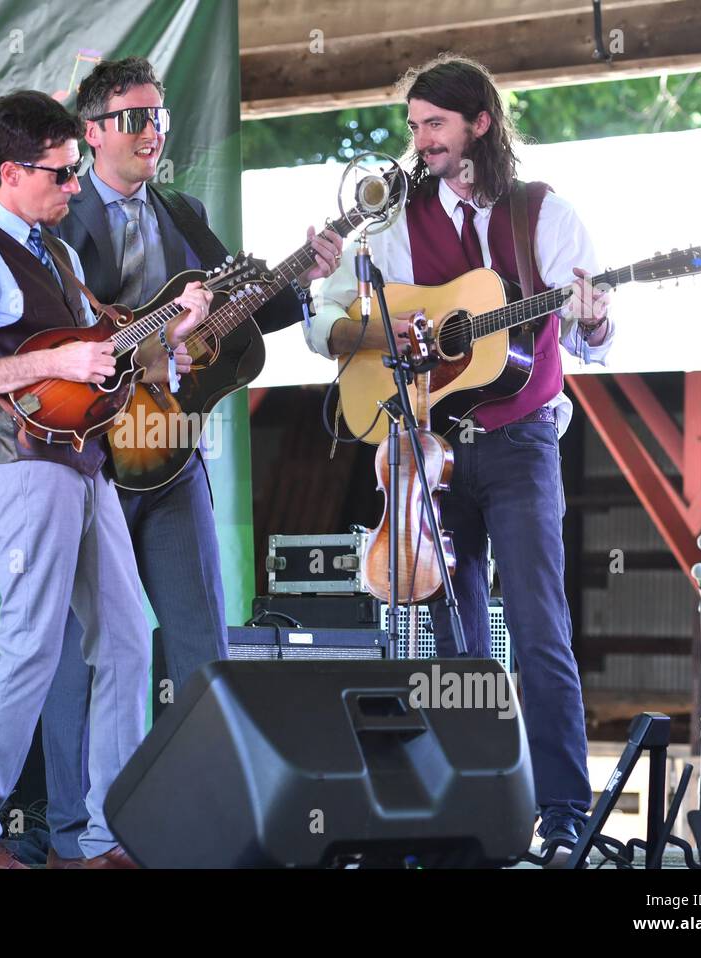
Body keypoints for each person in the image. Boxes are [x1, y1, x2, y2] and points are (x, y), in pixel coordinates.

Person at [41, 56, 344, 866]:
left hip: (173, 455)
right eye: (136, 117)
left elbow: (240, 313)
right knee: (80, 651)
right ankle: (76, 835)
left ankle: (201, 823)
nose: (154, 132)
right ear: (93, 131)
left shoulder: (183, 208)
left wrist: (302, 277)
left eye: (160, 116)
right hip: (87, 460)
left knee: (201, 640)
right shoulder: (54, 221)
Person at [307, 54, 614, 853]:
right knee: (456, 639)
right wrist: (384, 331)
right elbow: (333, 319)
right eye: (413, 127)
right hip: (430, 441)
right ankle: (475, 808)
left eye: (434, 123)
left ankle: (562, 812)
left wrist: (598, 317)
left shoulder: (542, 213)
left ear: (480, 122)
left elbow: (589, 339)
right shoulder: (395, 223)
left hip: (520, 441)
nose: (420, 140)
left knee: (540, 629)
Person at [0, 90, 211, 869]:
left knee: (124, 639)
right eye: (61, 174)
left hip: (85, 464)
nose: (76, 187)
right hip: (24, 468)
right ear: (11, 172)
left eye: (76, 171)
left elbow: (101, 358)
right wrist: (50, 361)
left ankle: (111, 836)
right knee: (32, 646)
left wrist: (165, 338)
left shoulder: (63, 256)